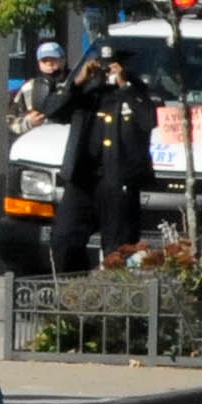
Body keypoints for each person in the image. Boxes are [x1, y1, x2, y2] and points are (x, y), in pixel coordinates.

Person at [54, 48, 159, 273]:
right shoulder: (85, 93)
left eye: (111, 67)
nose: (106, 73)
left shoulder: (136, 92)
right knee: (64, 238)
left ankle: (115, 292)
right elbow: (54, 111)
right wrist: (77, 82)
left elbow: (149, 120)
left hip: (118, 182)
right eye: (102, 67)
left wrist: (124, 85)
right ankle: (73, 287)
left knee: (118, 250)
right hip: (82, 180)